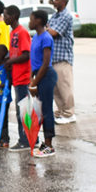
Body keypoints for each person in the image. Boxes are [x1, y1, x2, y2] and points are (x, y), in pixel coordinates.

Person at [3, 5, 33, 151]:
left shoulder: (22, 32)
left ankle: (26, 140)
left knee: (24, 109)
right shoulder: (12, 32)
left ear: (13, 16)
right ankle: (27, 137)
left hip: (23, 77)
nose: (4, 18)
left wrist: (11, 61)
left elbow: (26, 54)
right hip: (16, 76)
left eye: (6, 15)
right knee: (21, 108)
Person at [28, 10, 57, 157]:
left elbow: (45, 64)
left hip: (46, 75)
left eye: (31, 19)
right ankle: (44, 142)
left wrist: (34, 82)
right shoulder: (36, 37)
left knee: (46, 110)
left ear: (38, 21)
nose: (29, 22)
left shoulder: (46, 37)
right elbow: (35, 61)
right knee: (40, 111)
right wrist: (32, 79)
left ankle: (49, 145)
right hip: (38, 75)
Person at [49, 0, 76, 123]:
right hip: (53, 58)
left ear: (63, 2)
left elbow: (52, 32)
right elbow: (47, 28)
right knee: (56, 89)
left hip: (63, 58)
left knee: (65, 87)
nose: (54, 1)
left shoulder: (66, 16)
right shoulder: (54, 16)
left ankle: (69, 114)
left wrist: (47, 29)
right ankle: (61, 112)